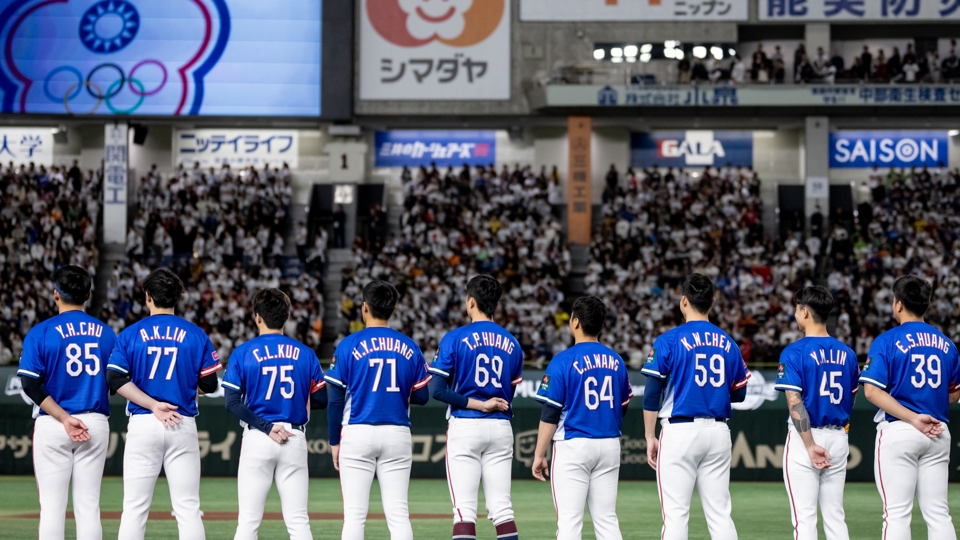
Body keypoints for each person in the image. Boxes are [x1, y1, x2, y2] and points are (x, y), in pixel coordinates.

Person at [107, 268, 222, 540]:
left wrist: (153, 405)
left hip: (144, 422)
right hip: (181, 422)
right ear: (177, 298)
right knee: (188, 508)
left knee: (134, 508)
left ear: (148, 297)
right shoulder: (195, 334)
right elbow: (209, 384)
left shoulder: (130, 334)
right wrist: (180, 391)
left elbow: (114, 378)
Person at [642, 274, 750, 540]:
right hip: (718, 432)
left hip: (680, 431)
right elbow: (740, 394)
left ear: (683, 302)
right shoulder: (728, 342)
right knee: (720, 513)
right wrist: (710, 395)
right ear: (712, 302)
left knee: (676, 515)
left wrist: (649, 437)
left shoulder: (669, 340)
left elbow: (651, 394)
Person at [326, 280, 432, 540]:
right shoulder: (409, 346)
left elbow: (335, 400)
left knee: (354, 516)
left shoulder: (348, 344)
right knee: (398, 515)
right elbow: (422, 396)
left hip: (358, 430)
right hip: (397, 431)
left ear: (364, 307)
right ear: (393, 308)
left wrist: (333, 441)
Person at [18, 265, 117, 540]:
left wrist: (63, 417)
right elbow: (116, 383)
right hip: (94, 422)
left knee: (51, 508)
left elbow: (29, 384)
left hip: (53, 422)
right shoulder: (107, 334)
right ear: (87, 294)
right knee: (88, 506)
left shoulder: (41, 332)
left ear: (55, 295)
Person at [222, 288, 329, 540]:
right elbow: (322, 399)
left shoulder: (243, 352)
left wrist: (267, 427)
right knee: (299, 522)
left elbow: (231, 403)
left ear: (257, 317)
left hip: (258, 436)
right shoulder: (306, 353)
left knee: (248, 522)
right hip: (293, 435)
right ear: (287, 316)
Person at [860, 276, 960, 540]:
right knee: (939, 513)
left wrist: (914, 417)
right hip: (938, 431)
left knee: (896, 514)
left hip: (901, 429)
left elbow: (871, 391)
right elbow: (954, 394)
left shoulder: (887, 340)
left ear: (899, 304)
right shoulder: (947, 344)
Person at [429, 275, 523, 540]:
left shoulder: (455, 337)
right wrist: (490, 404)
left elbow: (437, 390)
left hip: (466, 425)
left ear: (471, 302)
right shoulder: (512, 342)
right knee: (503, 511)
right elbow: (509, 394)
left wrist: (479, 404)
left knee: (464, 512)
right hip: (501, 426)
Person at [531, 296, 632, 540]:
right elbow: (624, 406)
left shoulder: (563, 361)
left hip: (574, 444)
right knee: (607, 520)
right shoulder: (617, 361)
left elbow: (551, 413)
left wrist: (538, 453)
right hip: (609, 444)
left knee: (569, 523)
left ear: (575, 322)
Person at [774, 287, 859, 540]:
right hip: (838, 436)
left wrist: (810, 444)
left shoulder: (794, 351)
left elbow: (794, 400)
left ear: (806, 312)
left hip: (806, 438)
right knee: (835, 516)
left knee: (805, 519)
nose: (795, 312)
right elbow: (850, 398)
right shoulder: (848, 353)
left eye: (797, 308)